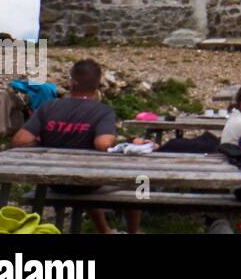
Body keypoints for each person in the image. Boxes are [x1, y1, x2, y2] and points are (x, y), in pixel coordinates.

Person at [11, 58, 144, 234]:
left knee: (88, 177)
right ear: (97, 86)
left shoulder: (49, 107)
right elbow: (103, 144)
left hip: (53, 182)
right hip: (87, 183)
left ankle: (104, 230)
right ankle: (133, 233)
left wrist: (43, 142)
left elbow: (20, 140)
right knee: (136, 183)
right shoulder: (102, 111)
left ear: (71, 83)